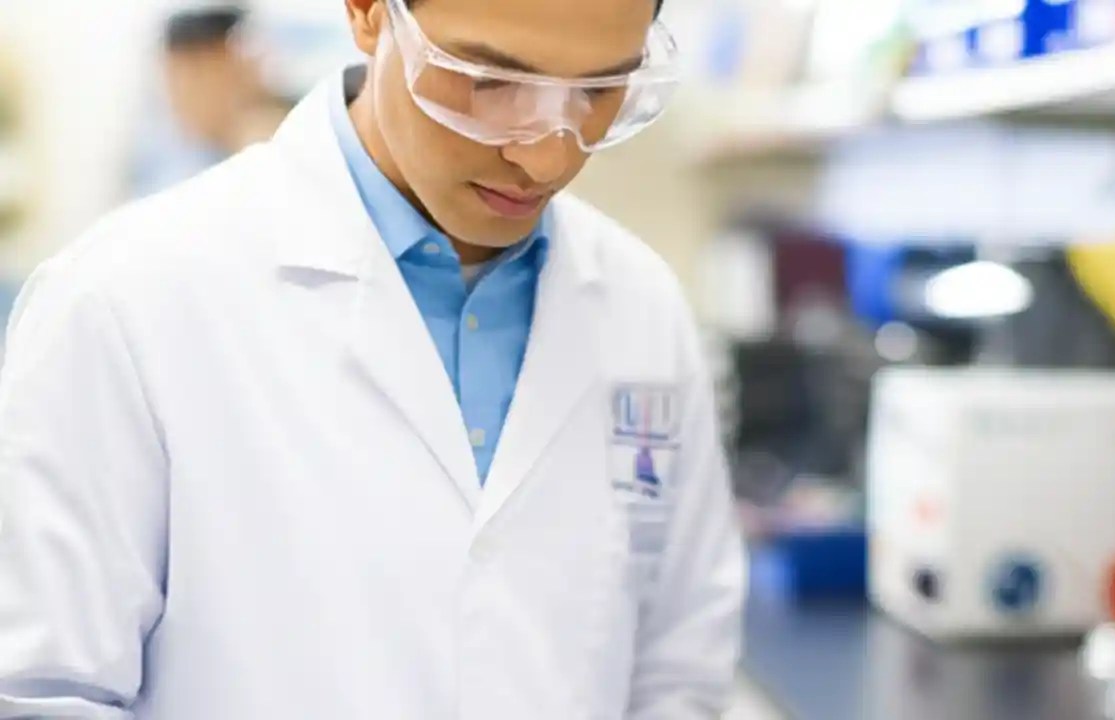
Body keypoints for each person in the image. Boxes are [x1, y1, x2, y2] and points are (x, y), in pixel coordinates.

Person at [0, 0, 746, 717]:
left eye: (598, 89)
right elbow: (43, 691)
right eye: (491, 81)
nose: (547, 152)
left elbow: (679, 656)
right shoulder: (121, 302)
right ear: (366, 11)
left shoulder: (641, 304)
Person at [132, 4, 289, 196]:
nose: (175, 96)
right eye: (171, 79)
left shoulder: (280, 144)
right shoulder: (170, 158)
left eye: (195, 74)